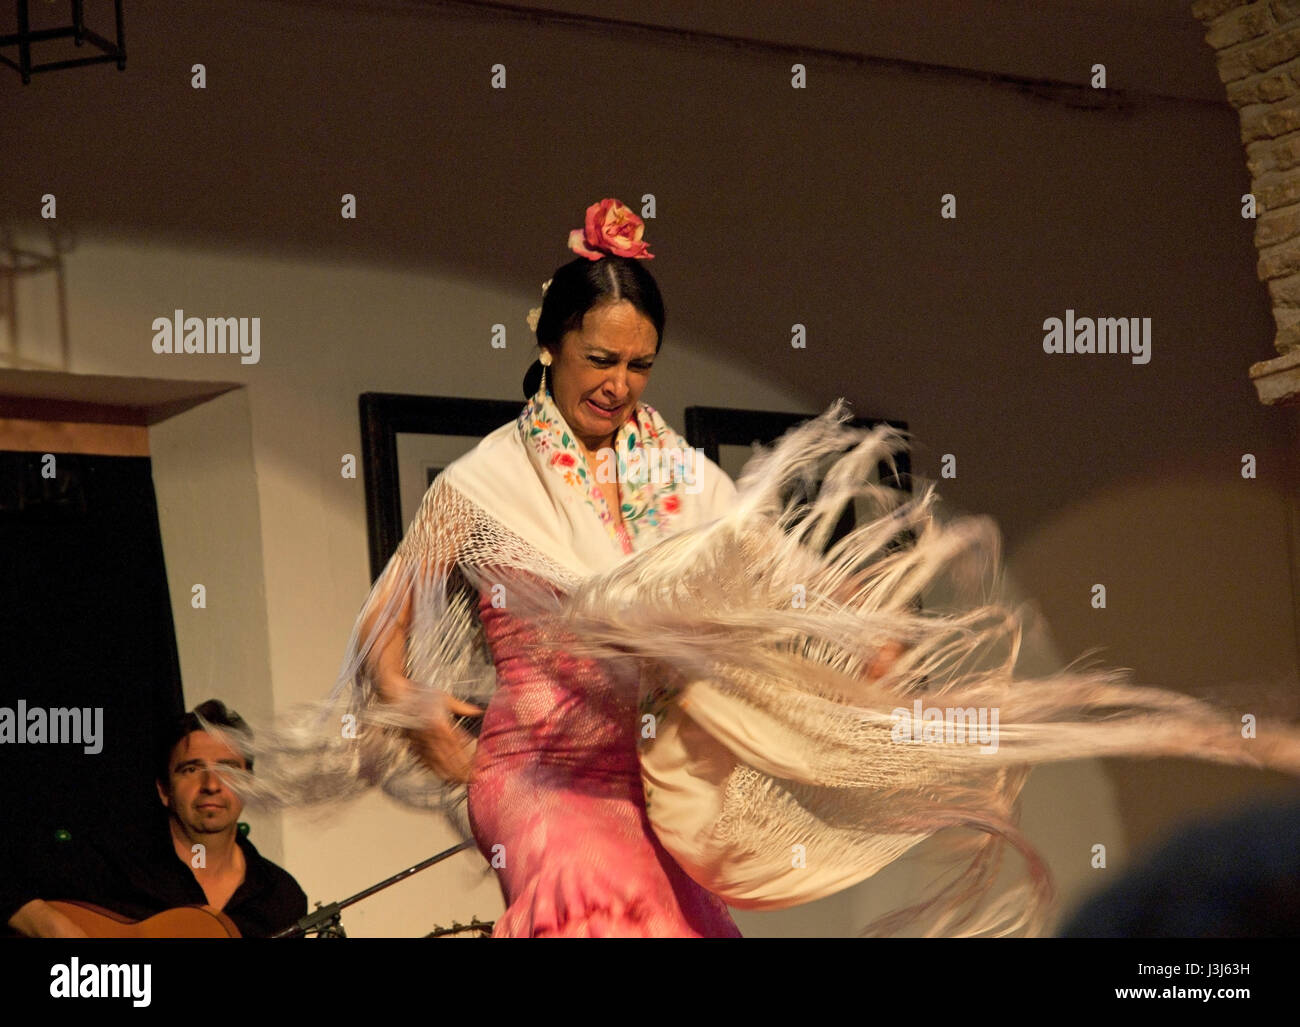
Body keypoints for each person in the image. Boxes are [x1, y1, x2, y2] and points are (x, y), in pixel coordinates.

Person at [230, 198, 1300, 938]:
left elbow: (782, 569)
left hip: (653, 775)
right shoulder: (477, 486)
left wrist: (860, 644)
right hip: (539, 781)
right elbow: (383, 632)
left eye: (639, 363)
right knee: (600, 908)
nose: (618, 382)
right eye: (599, 359)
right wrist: (417, 708)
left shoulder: (677, 472)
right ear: (547, 344)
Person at [2, 699, 308, 938]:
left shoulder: (280, 898)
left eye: (228, 770)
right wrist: (53, 928)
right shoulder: (115, 862)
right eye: (190, 770)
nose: (212, 785)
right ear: (164, 790)